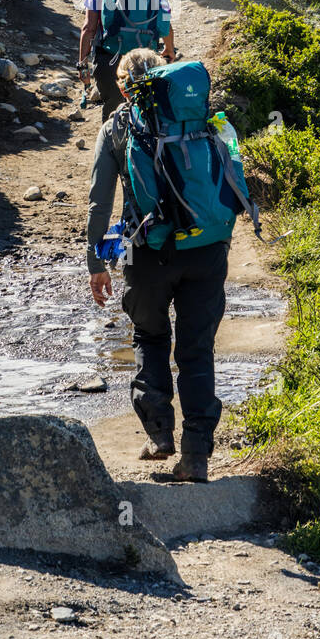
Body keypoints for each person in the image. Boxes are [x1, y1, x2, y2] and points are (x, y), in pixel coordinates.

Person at [86, 48, 254, 482]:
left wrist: (96, 263)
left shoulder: (117, 126)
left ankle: (160, 434)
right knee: (197, 351)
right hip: (209, 248)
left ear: (125, 85)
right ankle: (196, 458)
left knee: (150, 334)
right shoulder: (203, 121)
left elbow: (100, 202)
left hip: (151, 252)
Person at [78, 0, 175, 118]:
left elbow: (88, 29)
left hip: (110, 57)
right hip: (146, 59)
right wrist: (169, 49)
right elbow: (165, 23)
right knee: (147, 108)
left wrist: (82, 64)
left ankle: (112, 140)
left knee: (113, 109)